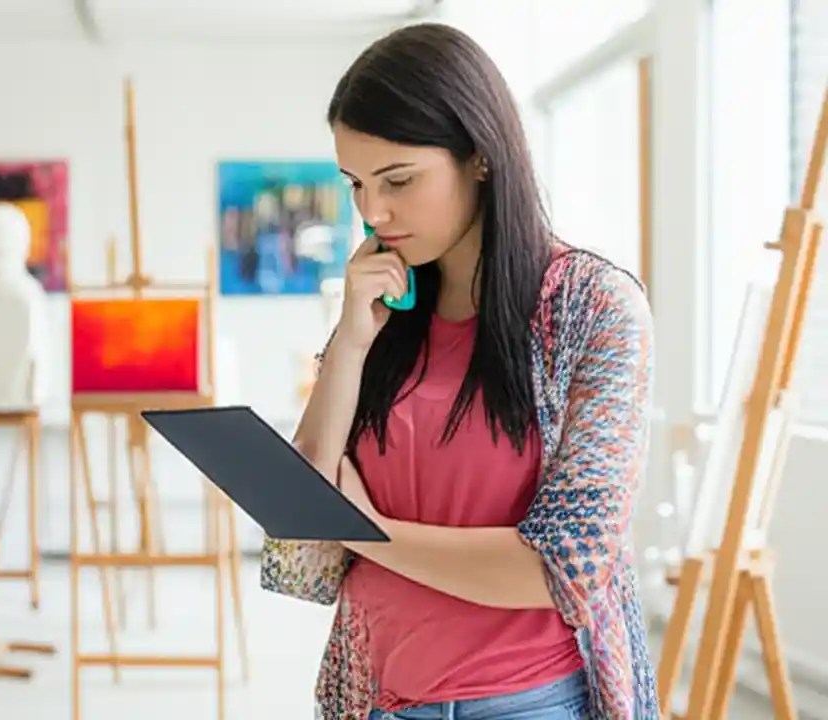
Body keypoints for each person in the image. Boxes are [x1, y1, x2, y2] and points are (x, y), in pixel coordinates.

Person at [259, 22, 657, 720]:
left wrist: (368, 530)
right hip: (377, 700)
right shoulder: (381, 313)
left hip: (530, 703)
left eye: (398, 180)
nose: (373, 211)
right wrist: (348, 343)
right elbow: (304, 537)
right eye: (356, 184)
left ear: (480, 157)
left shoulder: (595, 309)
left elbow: (562, 567)